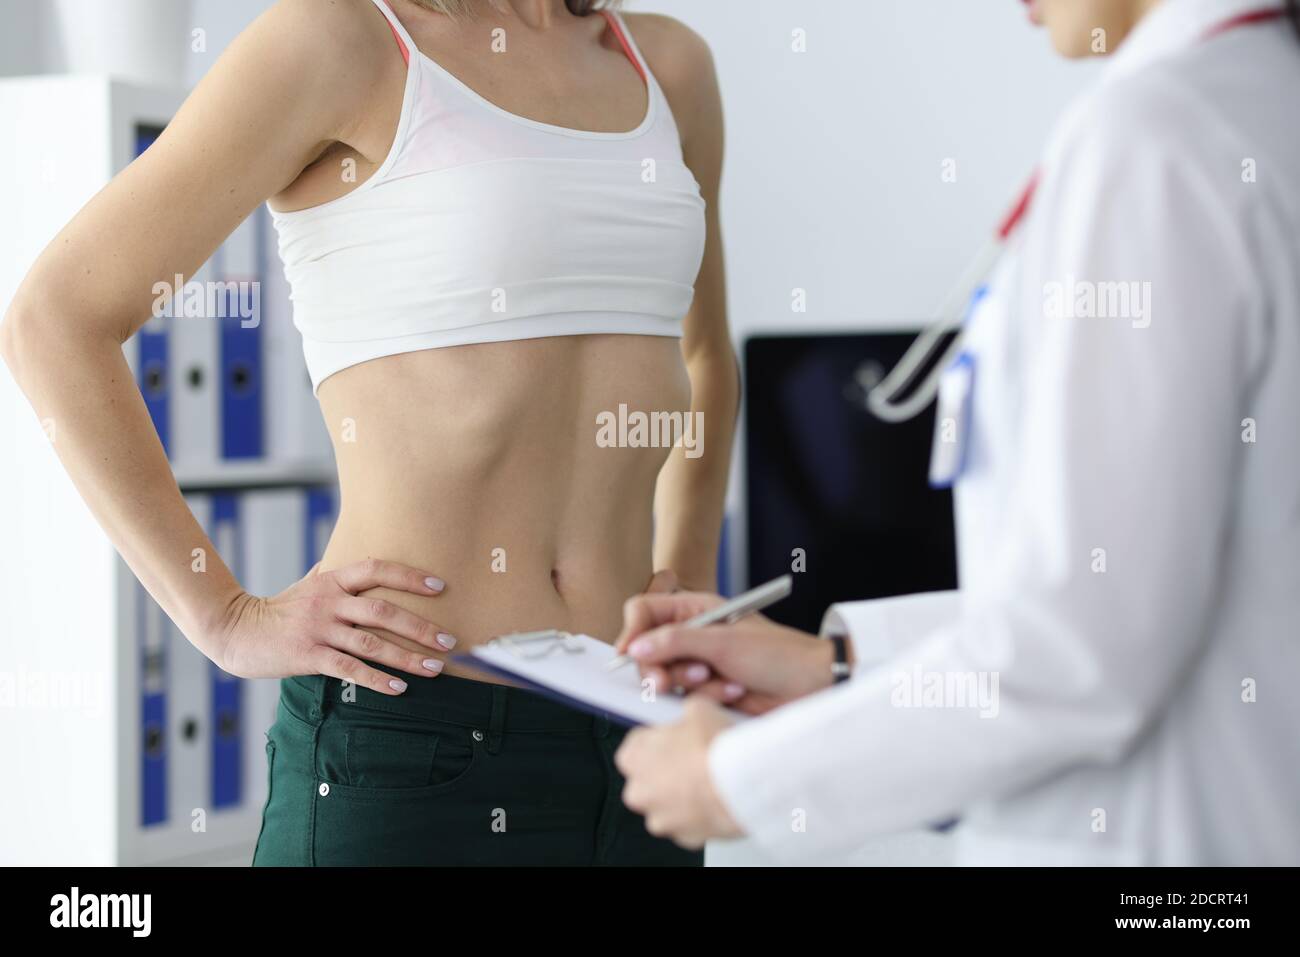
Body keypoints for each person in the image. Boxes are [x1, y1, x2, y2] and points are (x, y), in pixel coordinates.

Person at [0, 0, 735, 865]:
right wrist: (226, 618)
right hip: (408, 734)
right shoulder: (340, 38)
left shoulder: (666, 64)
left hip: (636, 732)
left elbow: (705, 355)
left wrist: (690, 581)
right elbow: (55, 319)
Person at [612, 0, 1300, 865]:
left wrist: (737, 780)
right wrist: (841, 662)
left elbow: (1076, 654)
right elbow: (1140, 596)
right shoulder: (1259, 98)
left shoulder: (1156, 139)